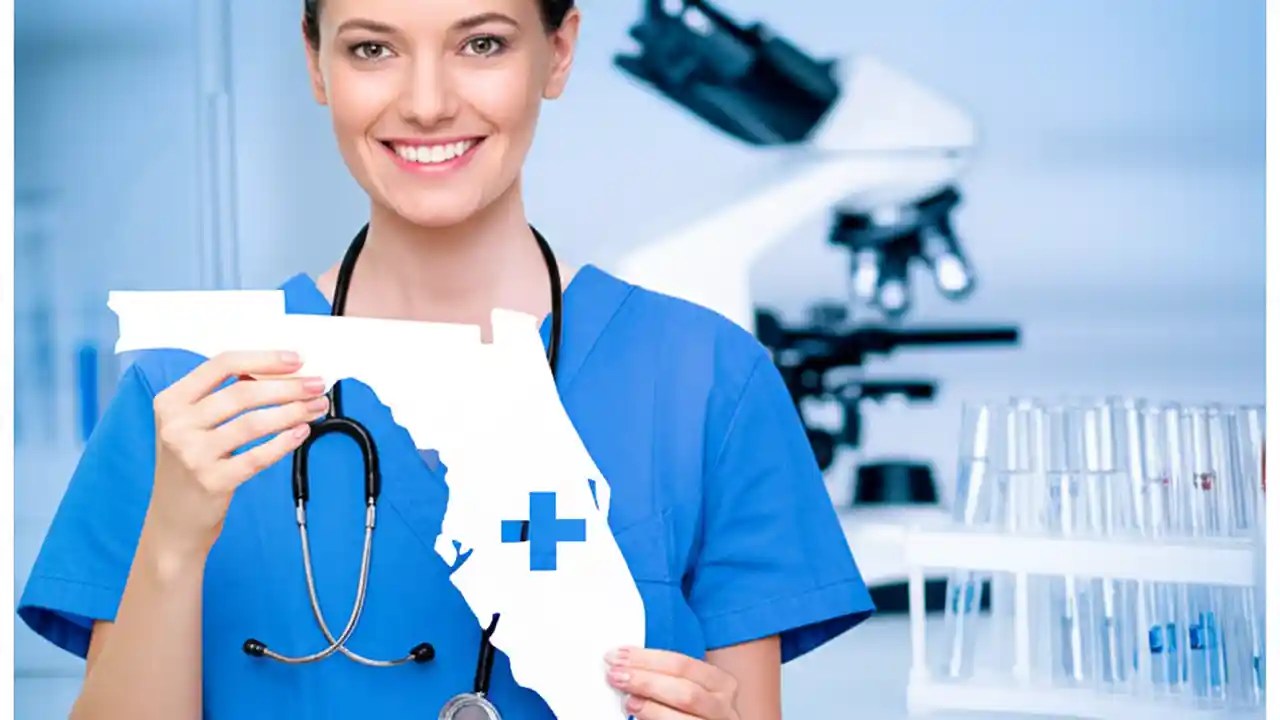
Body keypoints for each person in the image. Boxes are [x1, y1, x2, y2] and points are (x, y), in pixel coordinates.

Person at [17, 0, 875, 718]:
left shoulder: (707, 381)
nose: (427, 103)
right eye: (371, 49)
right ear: (317, 66)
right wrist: (172, 540)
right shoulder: (188, 391)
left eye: (482, 43)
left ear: (559, 52)